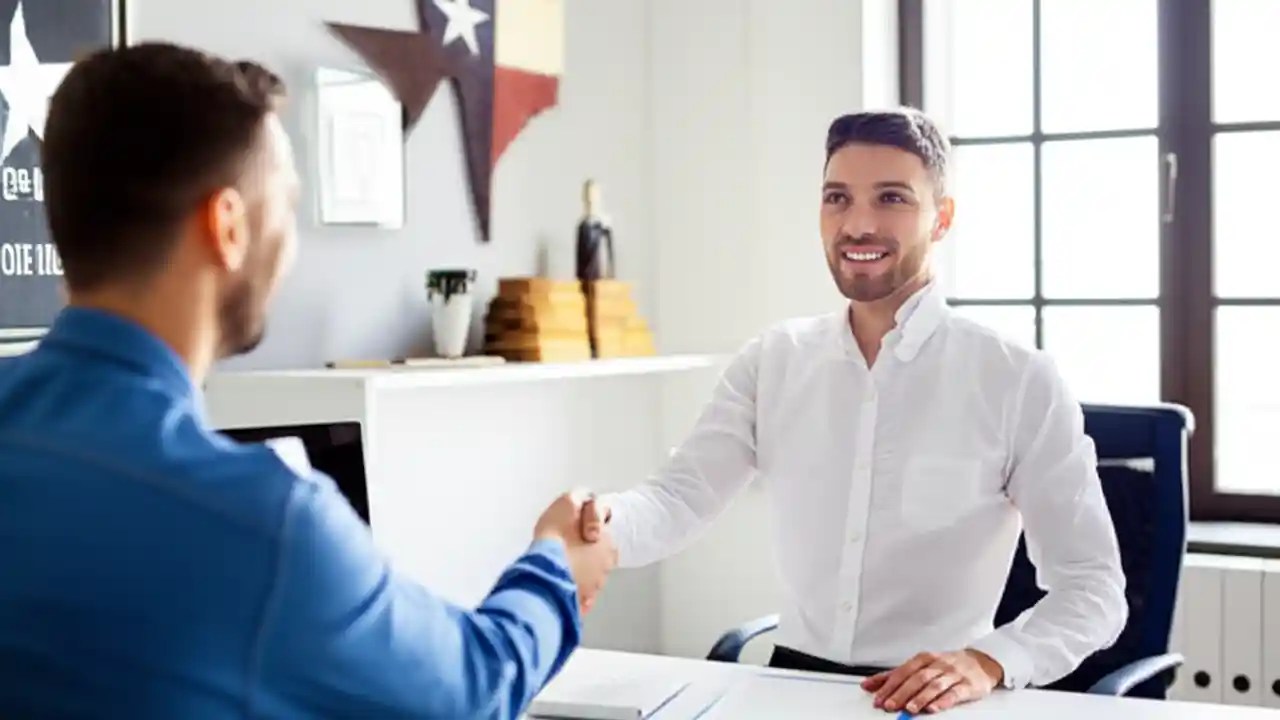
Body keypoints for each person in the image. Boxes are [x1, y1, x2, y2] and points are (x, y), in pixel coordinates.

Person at [0, 42, 615, 719]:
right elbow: (476, 687)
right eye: (285, 208)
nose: (288, 247)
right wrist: (556, 563)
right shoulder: (260, 524)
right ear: (227, 226)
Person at [586, 108, 1127, 715]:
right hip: (790, 688)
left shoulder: (1016, 379)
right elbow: (677, 500)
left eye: (891, 198)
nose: (858, 224)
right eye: (837, 198)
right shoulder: (775, 360)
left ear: (941, 218)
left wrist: (989, 660)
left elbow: (1093, 588)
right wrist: (596, 524)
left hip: (933, 697)